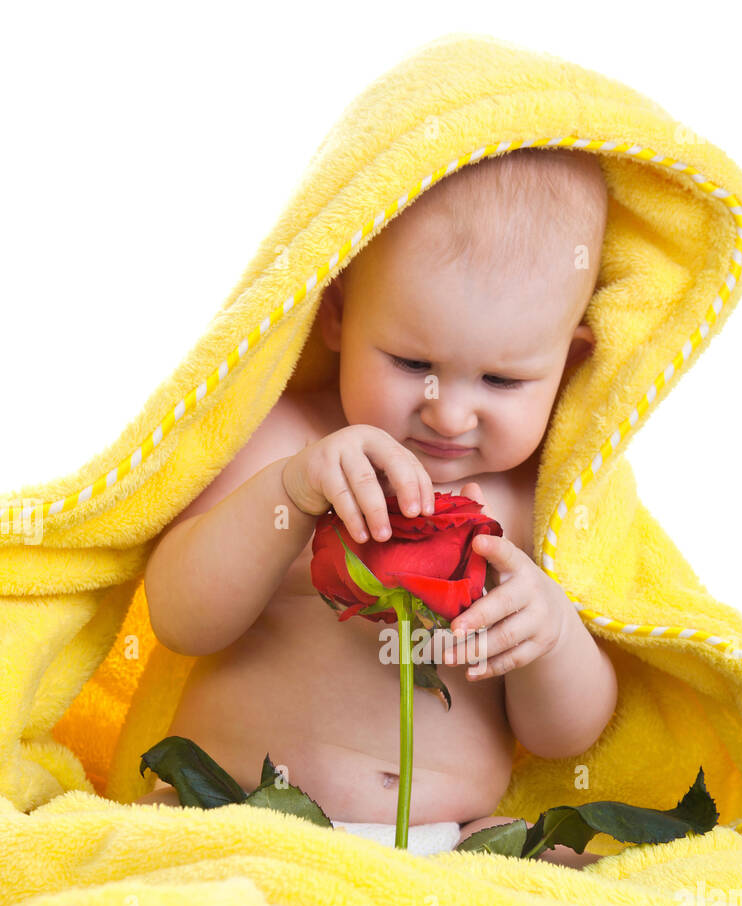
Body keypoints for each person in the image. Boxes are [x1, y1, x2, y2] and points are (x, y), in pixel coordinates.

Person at [140, 148, 617, 866]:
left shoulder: (540, 502)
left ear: (571, 364)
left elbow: (564, 737)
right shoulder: (287, 440)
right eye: (411, 364)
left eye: (501, 379)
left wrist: (548, 635)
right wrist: (288, 494)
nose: (449, 413)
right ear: (336, 315)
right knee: (142, 860)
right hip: (231, 809)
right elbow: (180, 619)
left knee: (582, 897)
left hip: (451, 844)